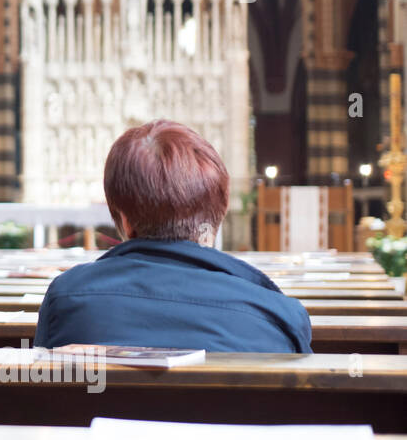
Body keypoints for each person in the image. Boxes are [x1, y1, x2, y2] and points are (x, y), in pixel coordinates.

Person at [34, 120, 312, 353]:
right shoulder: (279, 317)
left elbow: (43, 397)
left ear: (125, 221)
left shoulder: (67, 298)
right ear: (220, 212)